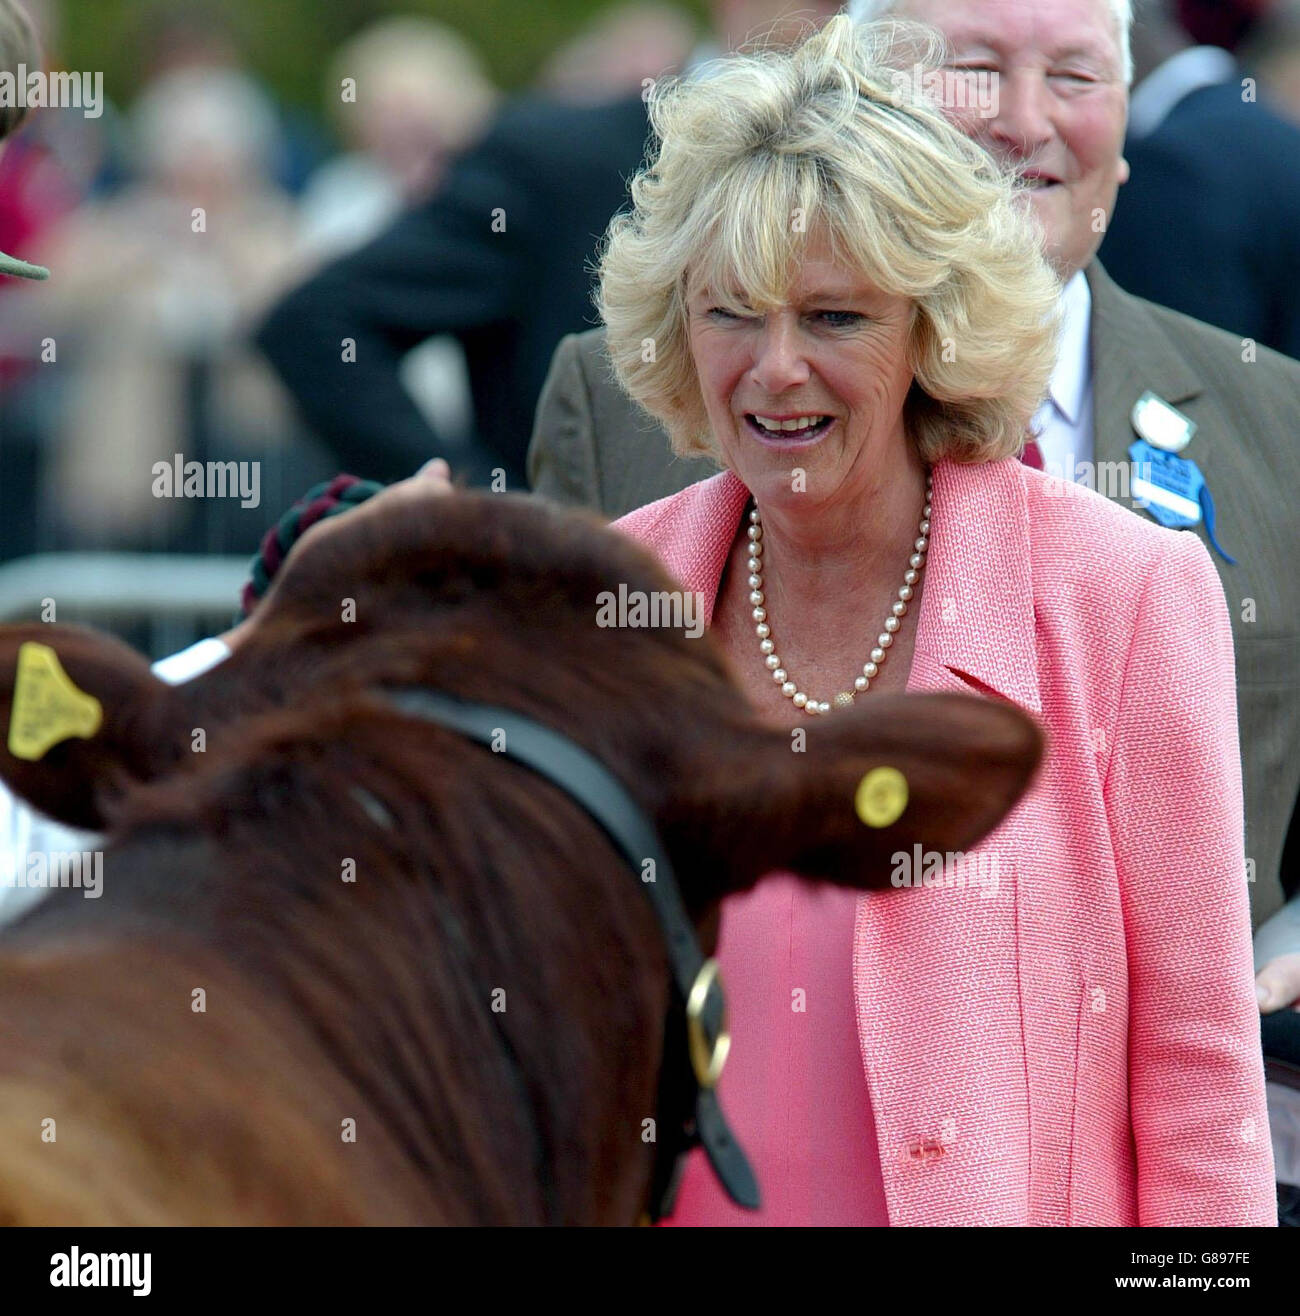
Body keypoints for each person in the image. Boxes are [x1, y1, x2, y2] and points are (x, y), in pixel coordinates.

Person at [584, 14, 1272, 1225]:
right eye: (730, 312)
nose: (775, 367)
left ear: (931, 332)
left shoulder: (1121, 595)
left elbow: (1199, 1077)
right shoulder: (611, 603)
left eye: (837, 317)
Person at [253, 1, 840, 489]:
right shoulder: (559, 159)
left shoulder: (901, 157)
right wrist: (481, 510)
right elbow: (318, 324)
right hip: (593, 605)